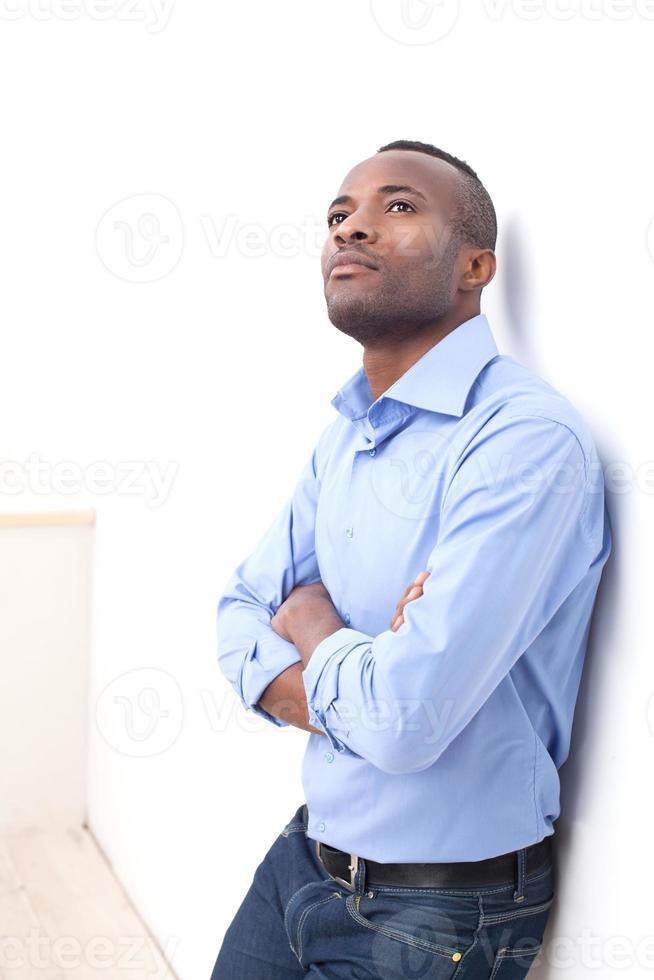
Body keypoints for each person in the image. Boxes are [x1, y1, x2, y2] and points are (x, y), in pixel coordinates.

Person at [210, 140, 612, 979]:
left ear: (475, 264)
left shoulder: (521, 441)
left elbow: (404, 719)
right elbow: (240, 615)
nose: (352, 227)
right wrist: (368, 671)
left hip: (438, 912)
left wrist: (315, 627)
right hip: (306, 857)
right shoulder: (346, 436)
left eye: (397, 207)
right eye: (338, 214)